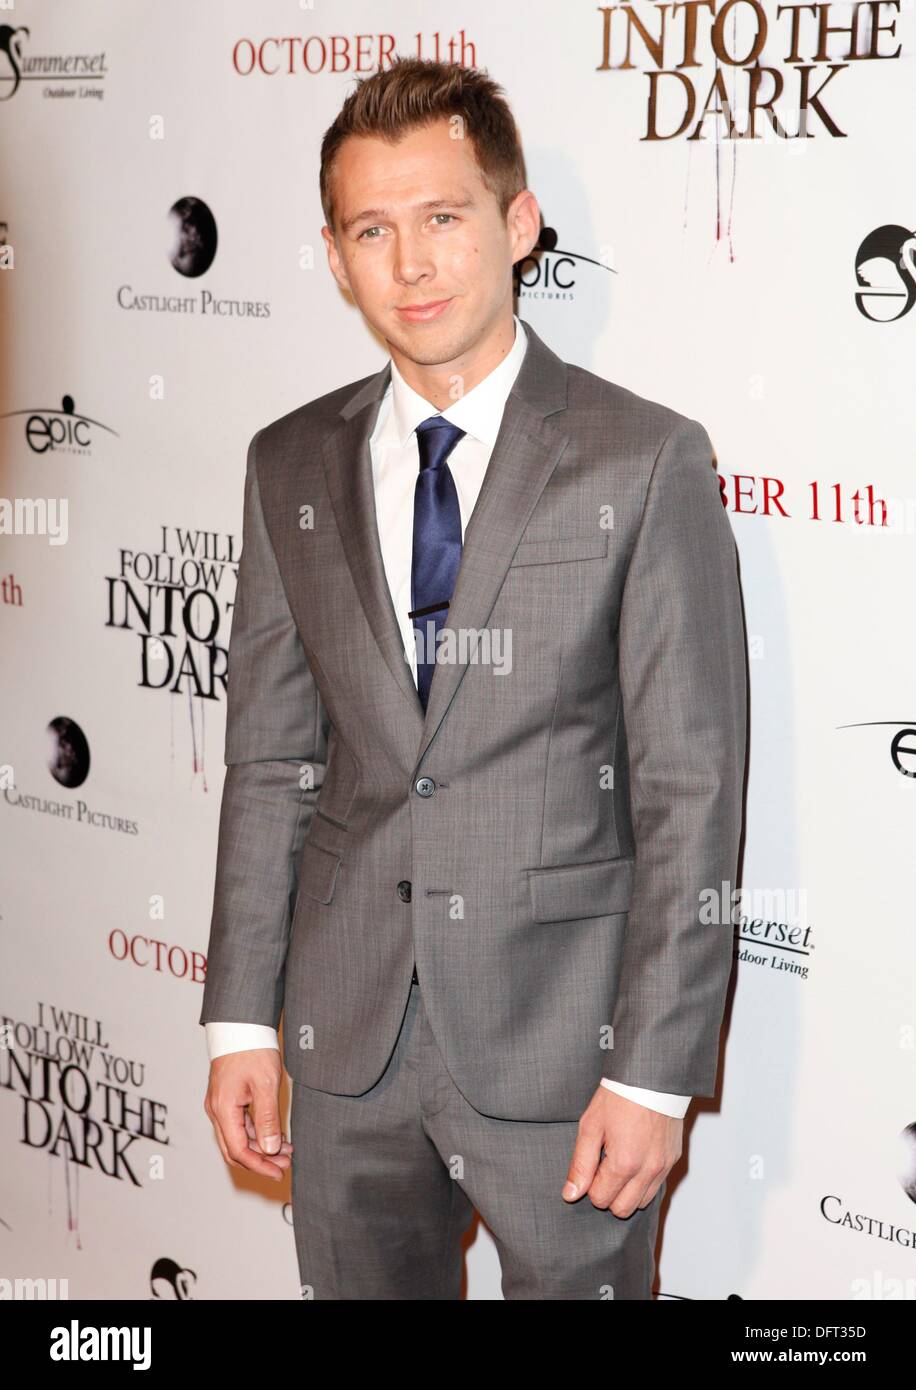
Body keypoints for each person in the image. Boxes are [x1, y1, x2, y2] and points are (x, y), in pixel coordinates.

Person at [201, 55, 747, 1300]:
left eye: (443, 218)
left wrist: (653, 1071)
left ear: (516, 223)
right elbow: (270, 759)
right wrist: (241, 1017)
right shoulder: (288, 459)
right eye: (372, 231)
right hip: (343, 1045)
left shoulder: (643, 458)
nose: (412, 265)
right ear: (335, 258)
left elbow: (688, 785)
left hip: (567, 1048)